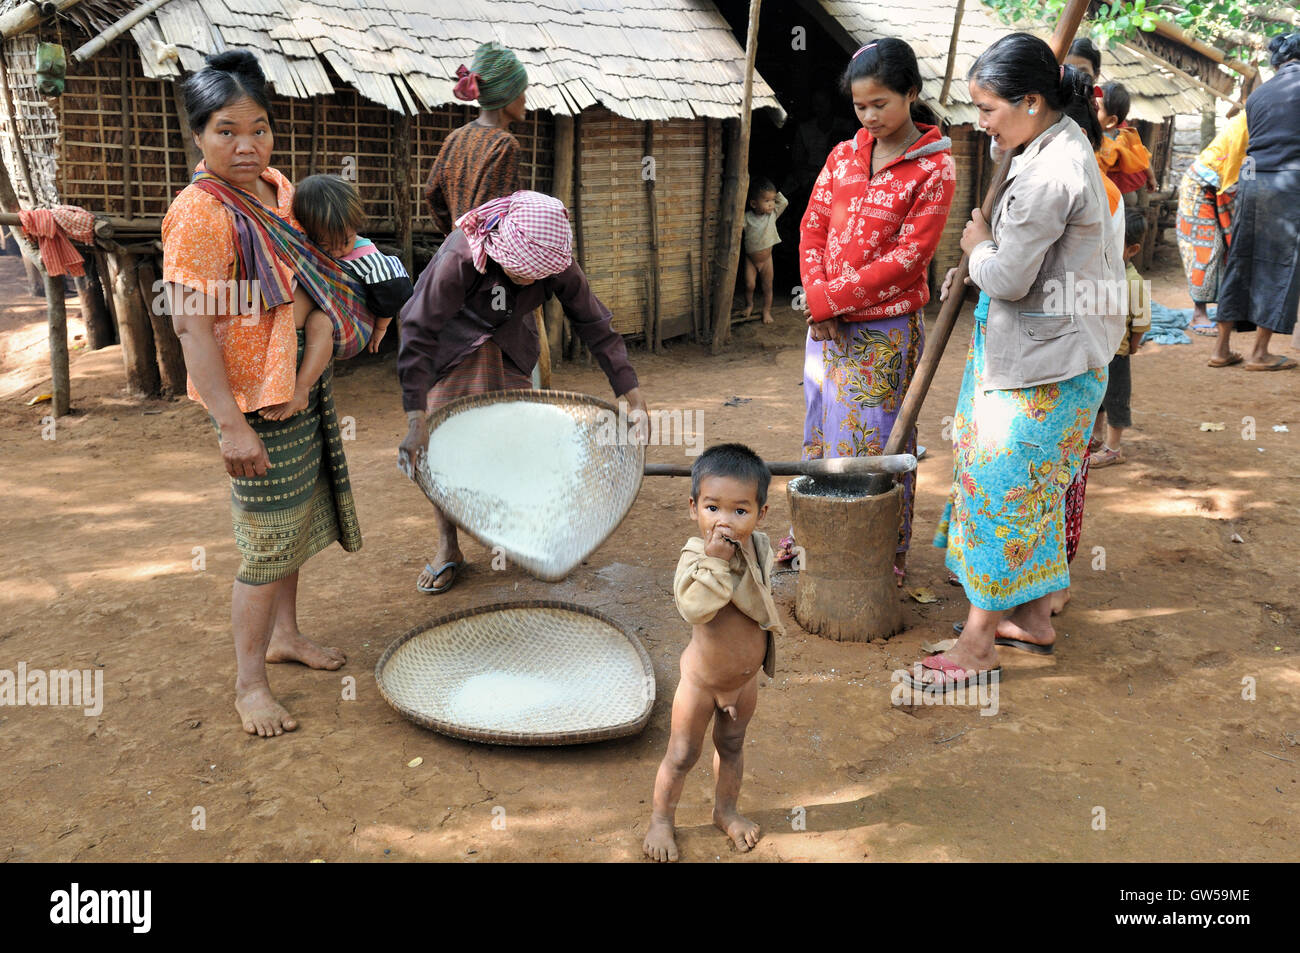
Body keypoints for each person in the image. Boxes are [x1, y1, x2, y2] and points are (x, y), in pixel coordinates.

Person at [162, 51, 362, 738]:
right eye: (225, 131)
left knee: (295, 525)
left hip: (296, 389)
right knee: (263, 544)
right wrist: (230, 426)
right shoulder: (198, 215)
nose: (246, 146)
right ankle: (250, 684)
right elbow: (191, 324)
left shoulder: (276, 189)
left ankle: (287, 635)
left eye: (259, 128)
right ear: (197, 134)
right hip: (252, 403)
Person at [920, 33, 1125, 689]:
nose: (980, 123)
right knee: (1031, 485)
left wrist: (977, 246)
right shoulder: (1044, 143)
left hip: (1050, 363)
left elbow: (1007, 277)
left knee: (1007, 491)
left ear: (1032, 100)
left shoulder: (1052, 172)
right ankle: (1034, 617)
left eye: (987, 108)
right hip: (1040, 349)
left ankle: (978, 644)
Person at [397, 191, 649, 592]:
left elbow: (595, 322)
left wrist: (632, 398)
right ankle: (449, 546)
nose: (529, 280)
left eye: (536, 275)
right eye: (520, 271)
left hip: (513, 342)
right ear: (502, 247)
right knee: (443, 447)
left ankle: (529, 536)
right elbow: (416, 329)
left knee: (517, 442)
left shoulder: (552, 256)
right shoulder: (461, 257)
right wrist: (416, 418)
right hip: (454, 347)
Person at [795, 37, 956, 585]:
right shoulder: (843, 155)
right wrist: (820, 302)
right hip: (826, 328)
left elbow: (908, 259)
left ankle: (883, 551)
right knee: (821, 431)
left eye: (880, 103)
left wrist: (827, 301)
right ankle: (816, 535)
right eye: (861, 106)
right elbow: (812, 227)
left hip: (881, 333)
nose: (870, 116)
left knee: (875, 442)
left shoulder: (935, 170)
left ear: (911, 92)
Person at [643, 444, 782, 862]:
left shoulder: (758, 547)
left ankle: (726, 811)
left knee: (733, 748)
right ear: (693, 508)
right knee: (682, 754)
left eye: (740, 511)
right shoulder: (695, 557)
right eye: (712, 507)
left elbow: (760, 597)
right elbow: (695, 608)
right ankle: (661, 821)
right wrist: (717, 563)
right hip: (701, 684)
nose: (725, 520)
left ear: (761, 513)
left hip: (743, 684)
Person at [259, 174, 413, 421]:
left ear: (356, 227)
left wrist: (381, 328)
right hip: (334, 309)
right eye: (327, 245)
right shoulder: (308, 249)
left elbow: (396, 291)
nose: (339, 250)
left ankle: (301, 390)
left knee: (319, 322)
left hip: (358, 325)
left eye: (345, 241)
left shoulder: (367, 256)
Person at [1211, 33, 1300, 372]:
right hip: (1289, 184)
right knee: (1280, 263)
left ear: (1277, 62)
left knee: (1241, 260)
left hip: (1250, 183)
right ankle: (1260, 353)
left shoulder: (1259, 94)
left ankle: (1221, 349)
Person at [1175, 112, 1248, 335]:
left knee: (1230, 246)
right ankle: (1199, 314)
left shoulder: (1256, 122)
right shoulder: (1244, 127)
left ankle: (1229, 311)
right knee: (1208, 248)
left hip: (1219, 186)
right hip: (1201, 186)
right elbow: (1231, 179)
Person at [1091, 211, 1151, 468]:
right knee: (1097, 398)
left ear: (1132, 249)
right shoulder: (1103, 275)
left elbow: (1141, 323)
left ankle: (1113, 448)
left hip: (1117, 352)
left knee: (1116, 399)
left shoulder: (1133, 283)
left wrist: (1133, 347)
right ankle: (1094, 437)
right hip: (1098, 350)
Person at [1097, 83, 1157, 205]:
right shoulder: (1127, 134)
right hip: (1122, 190)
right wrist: (1151, 178)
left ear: (1112, 121)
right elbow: (1143, 156)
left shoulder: (1106, 144)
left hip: (1108, 195)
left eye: (1095, 109)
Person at [741, 178, 787, 324]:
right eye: (766, 200)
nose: (771, 204)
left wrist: (774, 193)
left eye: (773, 200)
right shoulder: (746, 218)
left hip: (767, 259)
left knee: (768, 286)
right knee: (750, 285)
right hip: (751, 259)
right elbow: (736, 225)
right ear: (754, 203)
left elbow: (784, 202)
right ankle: (749, 305)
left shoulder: (772, 215)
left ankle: (766, 311)